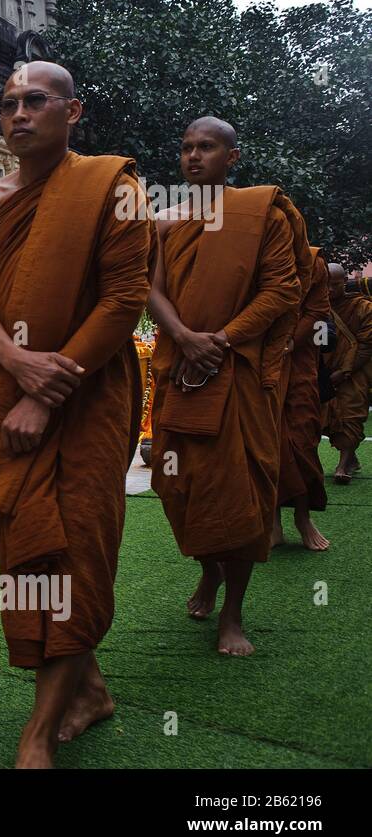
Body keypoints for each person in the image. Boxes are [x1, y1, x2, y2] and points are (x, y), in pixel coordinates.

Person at [0, 61, 153, 768]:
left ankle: (36, 733)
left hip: (89, 391)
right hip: (11, 387)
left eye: (34, 101)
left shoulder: (117, 189)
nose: (18, 114)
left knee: (79, 544)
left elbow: (124, 300)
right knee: (28, 542)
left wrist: (47, 392)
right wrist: (20, 368)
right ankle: (89, 685)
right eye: (7, 103)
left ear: (73, 111)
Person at [147, 117, 301, 657]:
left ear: (231, 157)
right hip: (181, 372)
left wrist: (224, 338)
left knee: (238, 495)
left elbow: (282, 289)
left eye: (206, 147)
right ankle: (207, 570)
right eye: (186, 147)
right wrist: (186, 338)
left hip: (238, 376)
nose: (194, 156)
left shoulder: (261, 214)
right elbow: (152, 290)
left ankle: (232, 612)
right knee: (176, 488)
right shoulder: (164, 222)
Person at [274, 245, 332, 550]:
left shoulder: (313, 262)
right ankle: (273, 523)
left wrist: (290, 340)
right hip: (259, 359)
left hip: (299, 362)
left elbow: (317, 311)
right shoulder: (253, 252)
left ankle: (302, 517)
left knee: (301, 439)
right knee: (266, 443)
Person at [322, 262, 372, 484]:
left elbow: (365, 344)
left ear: (345, 282)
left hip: (355, 371)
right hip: (325, 370)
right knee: (326, 415)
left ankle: (343, 465)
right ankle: (351, 457)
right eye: (326, 286)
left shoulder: (363, 307)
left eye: (334, 285)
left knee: (351, 414)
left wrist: (345, 370)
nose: (330, 291)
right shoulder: (316, 308)